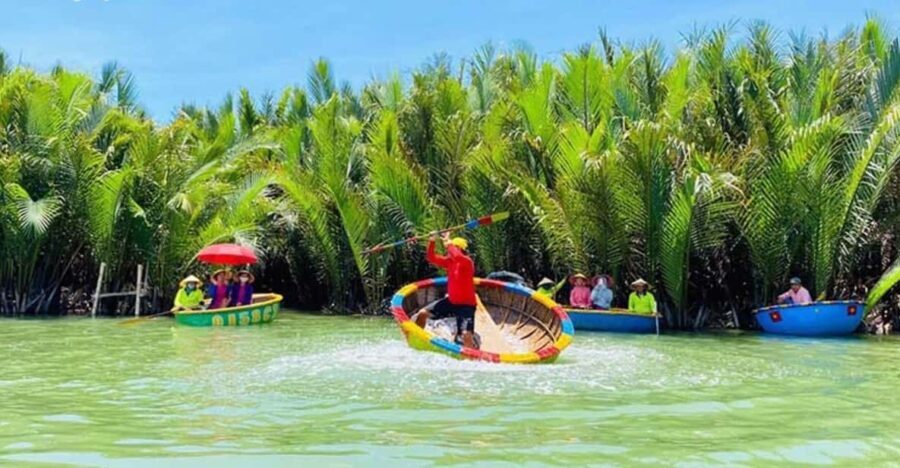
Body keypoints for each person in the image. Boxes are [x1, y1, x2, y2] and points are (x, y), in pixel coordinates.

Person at [410, 233, 477, 349]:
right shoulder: (450, 262)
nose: (449, 252)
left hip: (466, 306)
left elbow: (457, 256)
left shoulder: (467, 262)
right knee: (422, 314)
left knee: (466, 335)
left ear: (460, 249)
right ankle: (416, 341)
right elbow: (431, 258)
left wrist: (448, 242)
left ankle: (470, 356)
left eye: (454, 249)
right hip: (451, 302)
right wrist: (432, 241)